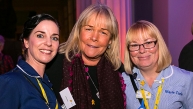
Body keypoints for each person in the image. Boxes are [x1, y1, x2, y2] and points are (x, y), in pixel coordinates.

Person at [46, 4, 125, 109]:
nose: (94, 37)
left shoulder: (118, 70)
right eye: (89, 29)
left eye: (103, 32)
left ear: (110, 40)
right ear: (79, 31)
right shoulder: (55, 64)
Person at [122, 20, 193, 109]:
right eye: (135, 45)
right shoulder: (122, 81)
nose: (142, 50)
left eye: (148, 43)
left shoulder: (186, 79)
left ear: (159, 45)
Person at [0, 13, 62, 109]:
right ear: (26, 42)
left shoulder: (47, 81)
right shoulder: (10, 82)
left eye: (54, 38)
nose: (49, 43)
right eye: (40, 36)